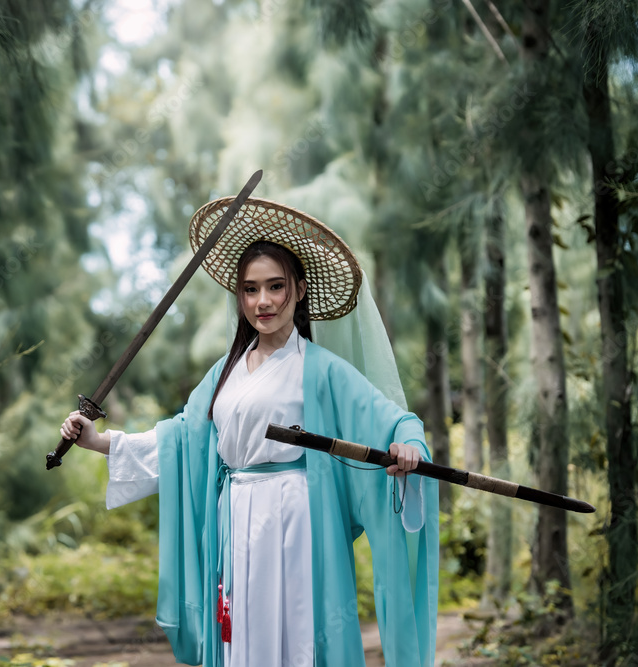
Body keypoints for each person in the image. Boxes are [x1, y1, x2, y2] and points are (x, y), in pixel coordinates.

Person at [61, 198, 439, 667]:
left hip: (298, 519)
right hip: (236, 515)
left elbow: (396, 419)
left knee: (298, 635)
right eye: (250, 289)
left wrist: (409, 446)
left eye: (276, 287)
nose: (263, 301)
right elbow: (184, 440)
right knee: (242, 636)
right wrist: (99, 441)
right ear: (238, 297)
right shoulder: (226, 372)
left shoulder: (321, 369)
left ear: (299, 290)